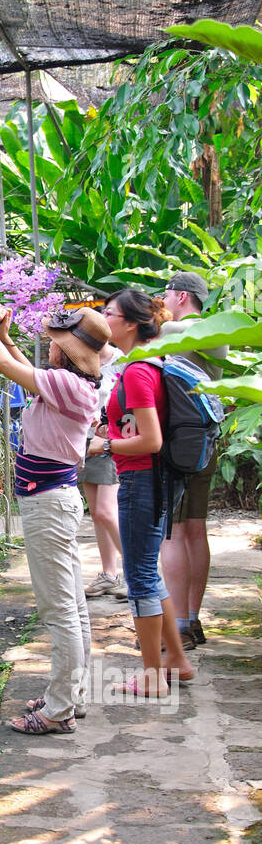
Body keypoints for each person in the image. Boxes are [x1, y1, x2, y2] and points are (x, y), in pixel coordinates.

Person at [0, 300, 110, 735]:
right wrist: (6, 335)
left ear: (66, 353)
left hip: (48, 507)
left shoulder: (69, 387)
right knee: (72, 606)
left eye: (55, 342)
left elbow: (3, 366)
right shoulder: (73, 383)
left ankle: (58, 711)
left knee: (60, 612)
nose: (48, 347)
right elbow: (23, 371)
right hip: (56, 501)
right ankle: (72, 695)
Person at [86, 290, 195, 698]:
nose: (103, 319)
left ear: (131, 323)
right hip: (149, 481)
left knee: (141, 580)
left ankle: (152, 676)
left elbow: (150, 439)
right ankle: (176, 662)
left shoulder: (137, 371)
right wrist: (111, 431)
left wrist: (105, 446)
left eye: (108, 314)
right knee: (149, 575)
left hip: (141, 482)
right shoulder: (147, 363)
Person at [156, 272, 228, 651]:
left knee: (175, 533)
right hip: (206, 438)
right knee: (197, 530)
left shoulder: (176, 333)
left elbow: (145, 338)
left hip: (179, 445)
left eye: (165, 294)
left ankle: (179, 623)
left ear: (181, 296)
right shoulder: (217, 332)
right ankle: (193, 618)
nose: (161, 300)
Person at [80, 341, 126, 599]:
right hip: (86, 440)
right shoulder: (81, 360)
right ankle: (109, 575)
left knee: (108, 512)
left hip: (111, 441)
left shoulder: (123, 361)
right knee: (97, 513)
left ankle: (138, 574)